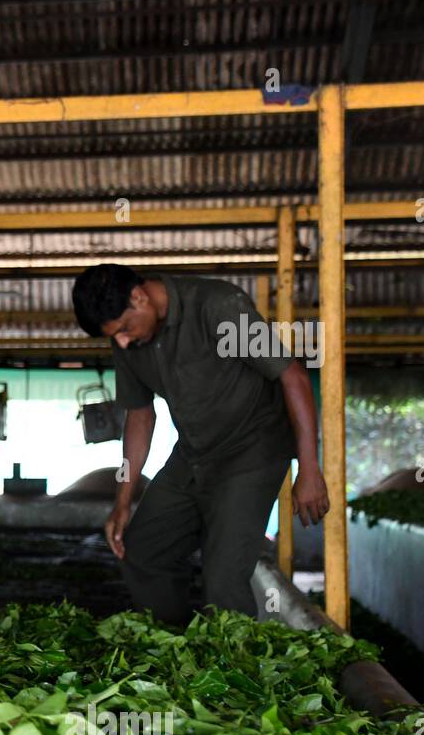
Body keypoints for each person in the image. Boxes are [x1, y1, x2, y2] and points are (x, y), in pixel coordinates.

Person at [71, 264, 330, 626]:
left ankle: (232, 671)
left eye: (125, 329)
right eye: (114, 337)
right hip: (193, 454)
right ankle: (174, 648)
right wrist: (122, 502)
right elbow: (140, 416)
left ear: (139, 296)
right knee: (144, 551)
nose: (123, 343)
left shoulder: (219, 306)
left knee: (223, 577)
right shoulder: (128, 340)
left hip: (252, 450)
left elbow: (293, 375)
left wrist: (309, 468)